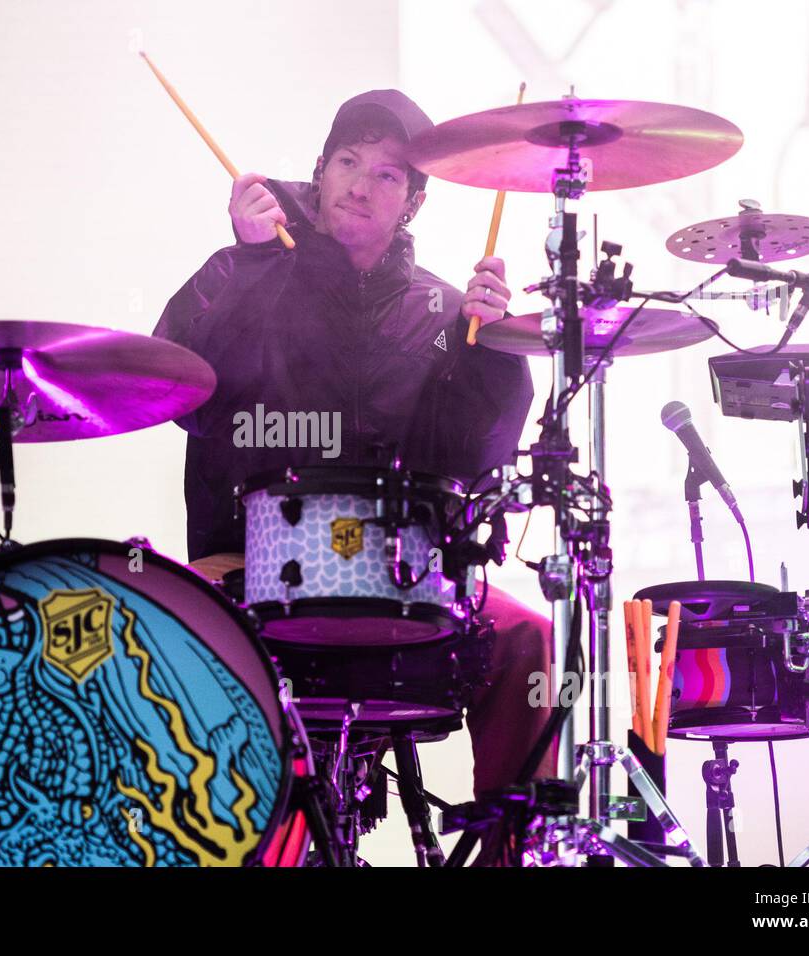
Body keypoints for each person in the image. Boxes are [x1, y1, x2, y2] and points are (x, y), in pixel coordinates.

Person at [152, 90, 555, 804]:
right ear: (319, 170)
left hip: (406, 577)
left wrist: (493, 348)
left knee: (527, 639)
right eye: (347, 161)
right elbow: (173, 385)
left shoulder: (444, 311)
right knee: (163, 628)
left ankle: (510, 851)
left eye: (388, 174)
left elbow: (476, 457)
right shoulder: (240, 268)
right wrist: (247, 265)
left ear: (414, 202)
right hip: (251, 567)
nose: (360, 184)